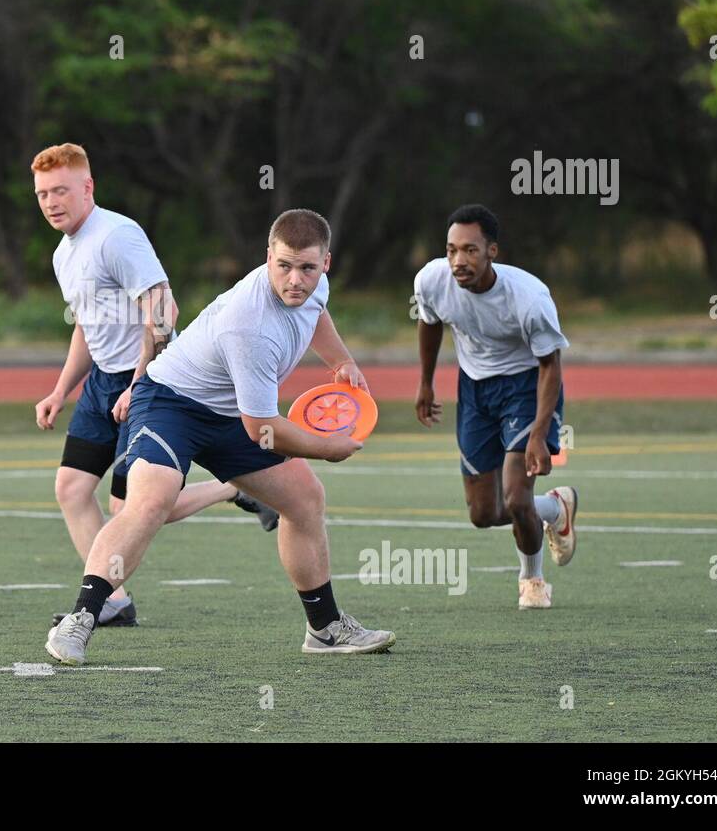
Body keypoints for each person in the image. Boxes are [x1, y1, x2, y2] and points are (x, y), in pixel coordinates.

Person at [46, 208, 396, 664]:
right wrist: (328, 448)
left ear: (325, 263)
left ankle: (325, 629)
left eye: (308, 268)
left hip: (230, 414)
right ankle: (81, 619)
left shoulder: (311, 286)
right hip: (171, 402)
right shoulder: (248, 326)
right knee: (151, 502)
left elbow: (316, 312)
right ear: (267, 256)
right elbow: (264, 430)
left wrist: (341, 362)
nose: (296, 280)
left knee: (305, 498)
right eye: (284, 266)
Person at [32, 143, 281, 628]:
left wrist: (139, 383)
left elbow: (164, 311)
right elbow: (87, 326)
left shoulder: (117, 236)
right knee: (71, 488)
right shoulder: (64, 253)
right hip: (104, 383)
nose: (50, 202)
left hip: (151, 379)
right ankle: (113, 600)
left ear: (88, 188)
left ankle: (231, 488)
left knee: (137, 508)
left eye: (60, 190)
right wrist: (61, 390)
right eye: (42, 194)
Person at [413, 204, 578, 610]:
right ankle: (556, 508)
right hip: (475, 391)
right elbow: (430, 322)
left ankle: (532, 580)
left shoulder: (529, 298)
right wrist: (426, 382)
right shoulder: (432, 280)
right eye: (451, 250)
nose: (458, 261)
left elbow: (550, 366)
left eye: (470, 250)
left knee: (517, 498)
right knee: (484, 513)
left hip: (526, 387)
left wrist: (539, 433)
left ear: (492, 252)